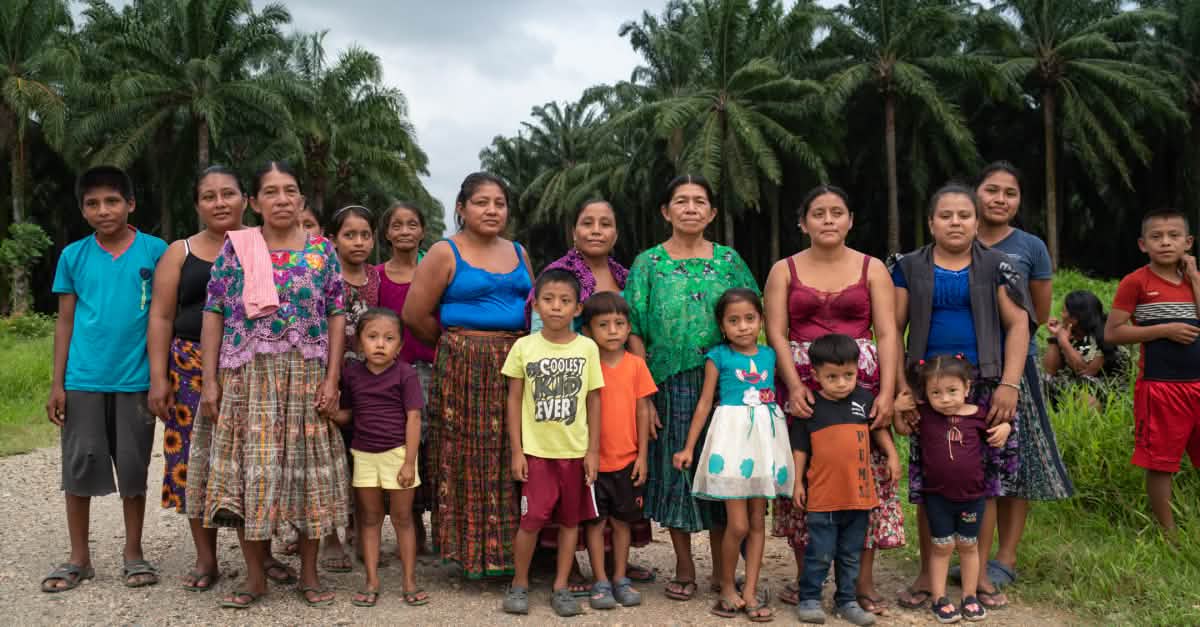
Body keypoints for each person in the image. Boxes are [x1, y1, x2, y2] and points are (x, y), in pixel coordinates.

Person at [197, 161, 349, 609]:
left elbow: (336, 315)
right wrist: (209, 380)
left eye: (291, 191)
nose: (282, 199)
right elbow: (214, 313)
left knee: (307, 476)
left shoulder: (322, 251)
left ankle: (308, 575)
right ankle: (255, 578)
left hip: (306, 377)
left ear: (301, 200)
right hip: (248, 377)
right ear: (255, 202)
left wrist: (333, 377)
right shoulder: (236, 249)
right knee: (252, 475)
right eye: (271, 192)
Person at [891, 183, 1034, 612]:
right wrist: (902, 390)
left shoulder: (999, 266)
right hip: (927, 388)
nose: (956, 223)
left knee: (982, 481)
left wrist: (1009, 386)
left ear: (976, 221)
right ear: (931, 222)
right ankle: (925, 573)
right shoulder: (908, 267)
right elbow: (892, 331)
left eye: (964, 216)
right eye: (946, 216)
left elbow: (1019, 326)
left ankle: (982, 575)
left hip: (986, 387)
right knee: (929, 479)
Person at [764, 185, 902, 612]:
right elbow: (775, 332)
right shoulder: (783, 270)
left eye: (836, 212)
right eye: (818, 213)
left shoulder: (872, 267)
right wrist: (795, 384)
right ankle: (807, 581)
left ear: (850, 220)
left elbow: (889, 332)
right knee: (807, 475)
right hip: (801, 381)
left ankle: (860, 584)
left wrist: (888, 392)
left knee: (863, 473)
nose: (828, 220)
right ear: (803, 223)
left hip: (860, 382)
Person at [624, 174, 758, 602]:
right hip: (668, 384)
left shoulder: (730, 261)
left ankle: (724, 572)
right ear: (666, 211)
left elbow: (751, 312)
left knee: (724, 472)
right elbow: (635, 329)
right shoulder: (648, 264)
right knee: (675, 472)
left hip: (727, 386)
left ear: (712, 213)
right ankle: (684, 566)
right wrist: (645, 394)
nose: (690, 208)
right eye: (680, 201)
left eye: (700, 201)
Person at [42, 166, 169, 593]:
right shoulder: (73, 256)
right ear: (83, 210)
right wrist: (57, 384)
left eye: (112, 201)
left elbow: (162, 318)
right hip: (83, 379)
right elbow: (64, 321)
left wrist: (158, 379)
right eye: (92, 203)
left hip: (135, 381)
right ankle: (80, 557)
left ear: (131, 204)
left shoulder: (156, 252)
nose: (103, 210)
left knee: (133, 471)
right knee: (78, 469)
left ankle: (134, 553)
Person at [402, 172, 534, 579]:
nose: (492, 210)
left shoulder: (519, 251)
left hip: (516, 362)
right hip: (464, 365)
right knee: (469, 457)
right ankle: (472, 553)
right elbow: (414, 315)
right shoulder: (445, 252)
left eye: (499, 202)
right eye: (481, 202)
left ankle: (521, 552)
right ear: (461, 208)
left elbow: (531, 307)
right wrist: (457, 346)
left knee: (517, 451)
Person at [526, 198, 655, 590]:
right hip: (568, 391)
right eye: (587, 223)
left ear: (616, 233)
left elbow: (633, 336)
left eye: (605, 223)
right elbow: (539, 333)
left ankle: (618, 563)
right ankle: (572, 566)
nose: (596, 230)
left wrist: (644, 400)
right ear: (574, 232)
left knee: (617, 482)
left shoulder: (626, 275)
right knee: (575, 478)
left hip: (621, 389)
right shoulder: (558, 275)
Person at [147, 166, 251, 592]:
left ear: (246, 199)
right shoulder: (180, 252)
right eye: (210, 196)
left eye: (229, 193)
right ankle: (206, 560)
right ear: (197, 205)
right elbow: (161, 315)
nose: (220, 202)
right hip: (188, 367)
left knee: (253, 463)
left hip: (248, 367)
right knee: (193, 463)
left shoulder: (262, 245)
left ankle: (259, 560)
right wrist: (158, 378)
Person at [972, 161, 1073, 596]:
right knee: (964, 465)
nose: (999, 199)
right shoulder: (955, 235)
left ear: (1019, 201)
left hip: (1016, 369)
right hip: (960, 369)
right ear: (974, 193)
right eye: (991, 190)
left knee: (1016, 464)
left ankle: (1006, 557)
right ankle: (966, 556)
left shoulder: (1031, 246)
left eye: (1009, 193)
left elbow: (1039, 313)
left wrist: (1009, 373)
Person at [673, 288, 793, 622]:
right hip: (732, 442)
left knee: (757, 523)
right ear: (722, 326)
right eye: (734, 321)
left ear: (762, 321)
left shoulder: (770, 356)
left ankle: (751, 591)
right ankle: (726, 585)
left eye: (750, 319)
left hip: (765, 441)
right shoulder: (718, 357)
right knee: (737, 524)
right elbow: (704, 403)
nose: (743, 327)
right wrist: (687, 446)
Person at [501, 269, 604, 617]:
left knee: (570, 522)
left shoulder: (588, 348)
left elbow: (594, 401)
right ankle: (519, 583)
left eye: (565, 301)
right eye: (548, 299)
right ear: (536, 305)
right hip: (537, 454)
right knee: (531, 521)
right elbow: (514, 400)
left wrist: (592, 451)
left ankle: (561, 586)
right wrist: (517, 450)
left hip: (575, 453)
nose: (556, 307)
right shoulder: (524, 347)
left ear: (578, 308)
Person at [790, 334, 898, 627]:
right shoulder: (809, 407)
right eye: (832, 376)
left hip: (859, 495)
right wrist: (798, 483)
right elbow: (800, 449)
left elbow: (878, 430)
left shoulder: (864, 400)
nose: (841, 383)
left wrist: (892, 456)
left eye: (848, 375)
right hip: (822, 497)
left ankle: (846, 600)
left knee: (851, 553)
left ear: (858, 370)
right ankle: (810, 598)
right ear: (815, 375)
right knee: (820, 552)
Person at [896, 355, 1012, 624]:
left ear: (967, 388)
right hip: (937, 497)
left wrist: (1005, 426)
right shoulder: (924, 415)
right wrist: (896, 408)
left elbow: (1002, 428)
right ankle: (940, 598)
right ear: (925, 393)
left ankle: (969, 597)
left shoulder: (978, 416)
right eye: (936, 393)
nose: (945, 399)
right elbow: (902, 429)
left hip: (973, 498)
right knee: (942, 547)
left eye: (952, 391)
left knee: (969, 546)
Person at [1104, 208, 1200, 535]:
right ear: (1143, 244)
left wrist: (1196, 278)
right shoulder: (1136, 282)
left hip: (1198, 384)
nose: (1165, 243)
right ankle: (1168, 534)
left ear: (1188, 242)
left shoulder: (1194, 279)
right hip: (1161, 387)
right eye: (1156, 237)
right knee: (1161, 463)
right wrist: (1164, 330)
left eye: (1174, 236)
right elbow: (1113, 333)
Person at [334, 308, 428, 608]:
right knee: (370, 520)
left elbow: (414, 418)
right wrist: (331, 414)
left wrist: (409, 462)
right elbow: (349, 415)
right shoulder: (352, 375)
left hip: (398, 454)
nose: (379, 344)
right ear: (359, 344)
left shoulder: (405, 374)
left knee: (402, 519)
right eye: (372, 337)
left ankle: (409, 581)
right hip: (364, 456)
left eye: (389, 339)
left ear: (399, 346)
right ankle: (371, 581)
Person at [580, 291, 656, 608]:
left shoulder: (636, 365)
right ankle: (599, 580)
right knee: (596, 524)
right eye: (603, 324)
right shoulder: (585, 365)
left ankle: (620, 577)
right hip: (593, 463)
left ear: (628, 329)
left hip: (627, 460)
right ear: (588, 331)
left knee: (623, 523)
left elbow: (643, 411)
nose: (612, 331)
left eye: (619, 323)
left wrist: (642, 456)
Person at [321, 204, 379, 570]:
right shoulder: (324, 277)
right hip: (332, 375)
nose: (358, 242)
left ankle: (360, 529)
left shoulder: (377, 278)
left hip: (371, 382)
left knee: (364, 454)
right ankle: (329, 536)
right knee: (329, 456)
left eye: (365, 235)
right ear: (333, 240)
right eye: (349, 235)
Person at [376, 201, 436, 553]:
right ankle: (411, 525)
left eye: (412, 224)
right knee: (400, 447)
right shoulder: (377, 277)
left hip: (428, 368)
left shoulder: (434, 271)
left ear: (422, 231)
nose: (404, 231)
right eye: (396, 225)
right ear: (386, 233)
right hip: (391, 374)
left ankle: (434, 523)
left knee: (429, 447)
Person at [1043, 290, 1129, 407]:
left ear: (1075, 319)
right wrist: (1055, 337)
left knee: (1087, 396)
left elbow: (1084, 372)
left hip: (1107, 391)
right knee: (1043, 382)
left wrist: (1064, 343)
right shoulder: (1070, 333)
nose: (1061, 315)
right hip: (1077, 387)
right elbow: (1050, 371)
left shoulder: (1105, 337)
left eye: (1064, 311)